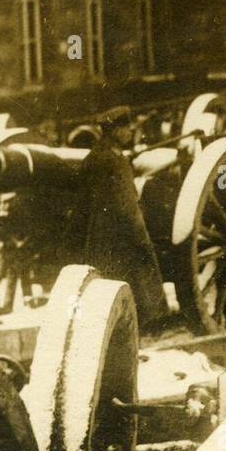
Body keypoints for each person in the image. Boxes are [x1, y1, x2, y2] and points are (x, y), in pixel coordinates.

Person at [81, 107, 169, 329]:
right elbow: (127, 202)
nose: (130, 132)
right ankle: (150, 323)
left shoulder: (93, 157)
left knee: (106, 279)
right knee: (139, 275)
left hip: (98, 232)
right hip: (122, 232)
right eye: (126, 128)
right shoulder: (116, 161)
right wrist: (141, 233)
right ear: (116, 131)